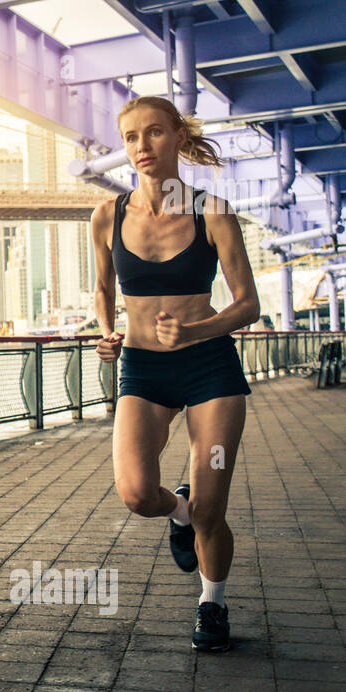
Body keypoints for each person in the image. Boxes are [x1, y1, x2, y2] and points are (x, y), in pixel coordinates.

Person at [90, 95, 260, 653]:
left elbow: (247, 304)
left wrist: (195, 331)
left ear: (177, 138)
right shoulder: (107, 216)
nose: (143, 147)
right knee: (138, 493)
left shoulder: (213, 211)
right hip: (142, 368)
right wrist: (104, 331)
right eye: (132, 137)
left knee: (214, 506)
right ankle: (177, 512)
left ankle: (212, 603)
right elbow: (102, 288)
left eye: (155, 133)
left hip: (208, 365)